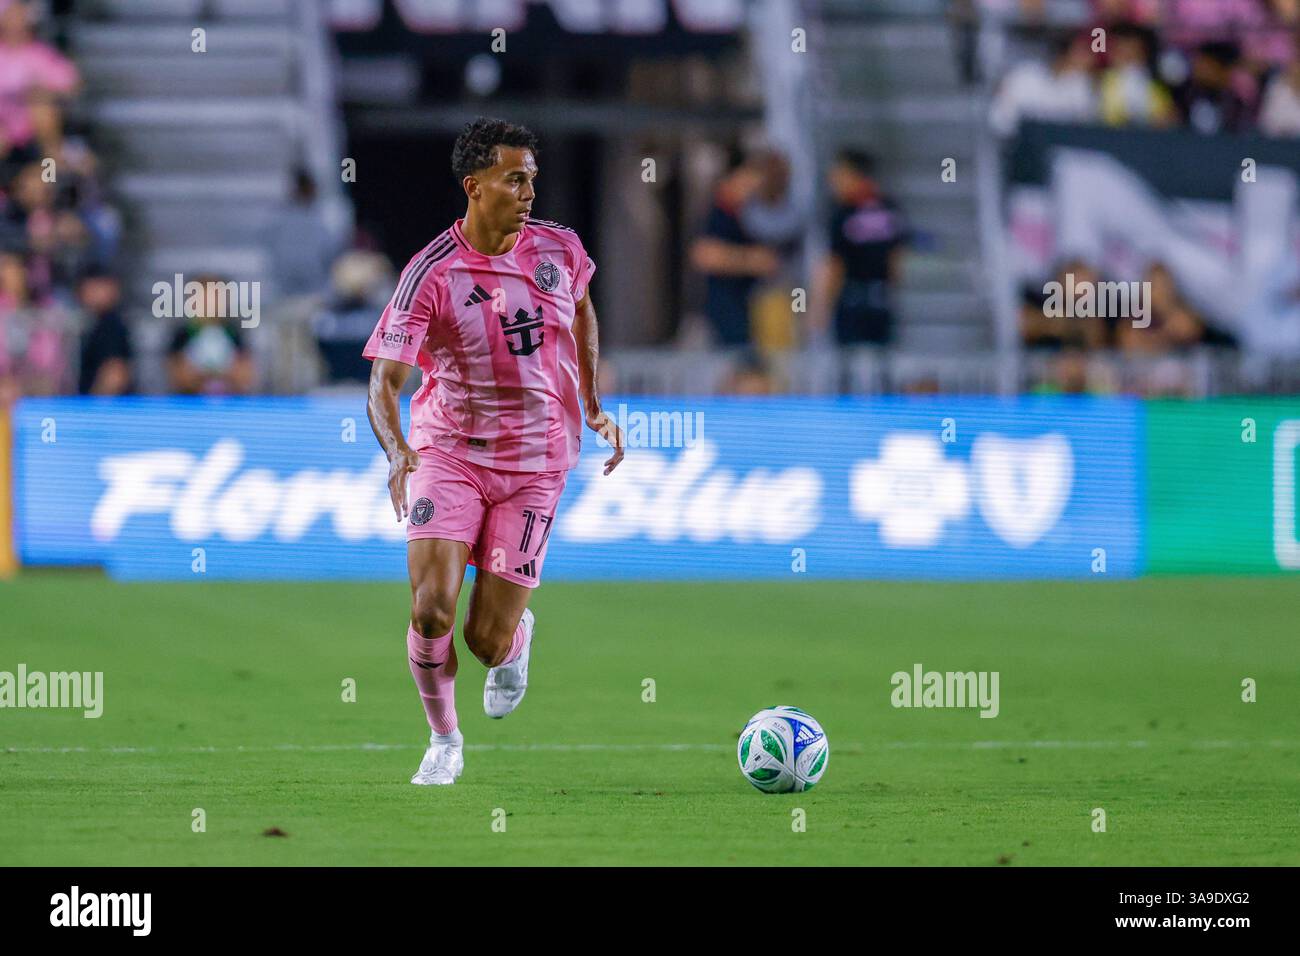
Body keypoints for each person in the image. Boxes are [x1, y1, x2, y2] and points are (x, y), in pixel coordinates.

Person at [364, 117, 625, 787]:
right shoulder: (431, 272)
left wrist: (590, 399)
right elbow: (384, 381)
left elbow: (582, 308)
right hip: (447, 453)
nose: (530, 190)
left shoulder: (559, 249)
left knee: (485, 641)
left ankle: (516, 638)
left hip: (536, 464)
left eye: (533, 177)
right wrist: (396, 452)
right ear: (474, 186)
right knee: (430, 607)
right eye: (516, 178)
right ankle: (443, 739)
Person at [811, 149, 910, 347]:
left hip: (852, 299)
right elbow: (896, 259)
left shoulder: (843, 211)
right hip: (880, 298)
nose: (834, 181)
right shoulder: (889, 207)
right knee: (881, 363)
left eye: (839, 175)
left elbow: (834, 263)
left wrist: (819, 307)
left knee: (850, 364)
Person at [688, 153, 779, 347]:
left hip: (749, 306)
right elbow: (704, 255)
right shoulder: (720, 210)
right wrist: (750, 261)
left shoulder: (748, 213)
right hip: (725, 310)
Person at [166, 274, 255, 395]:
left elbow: (244, 376)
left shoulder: (234, 332)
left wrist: (205, 375)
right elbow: (180, 377)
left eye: (215, 297)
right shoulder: (183, 334)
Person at [76, 268, 132, 395]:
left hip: (106, 409)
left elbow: (115, 375)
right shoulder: (90, 324)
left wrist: (92, 408)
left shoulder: (111, 325)